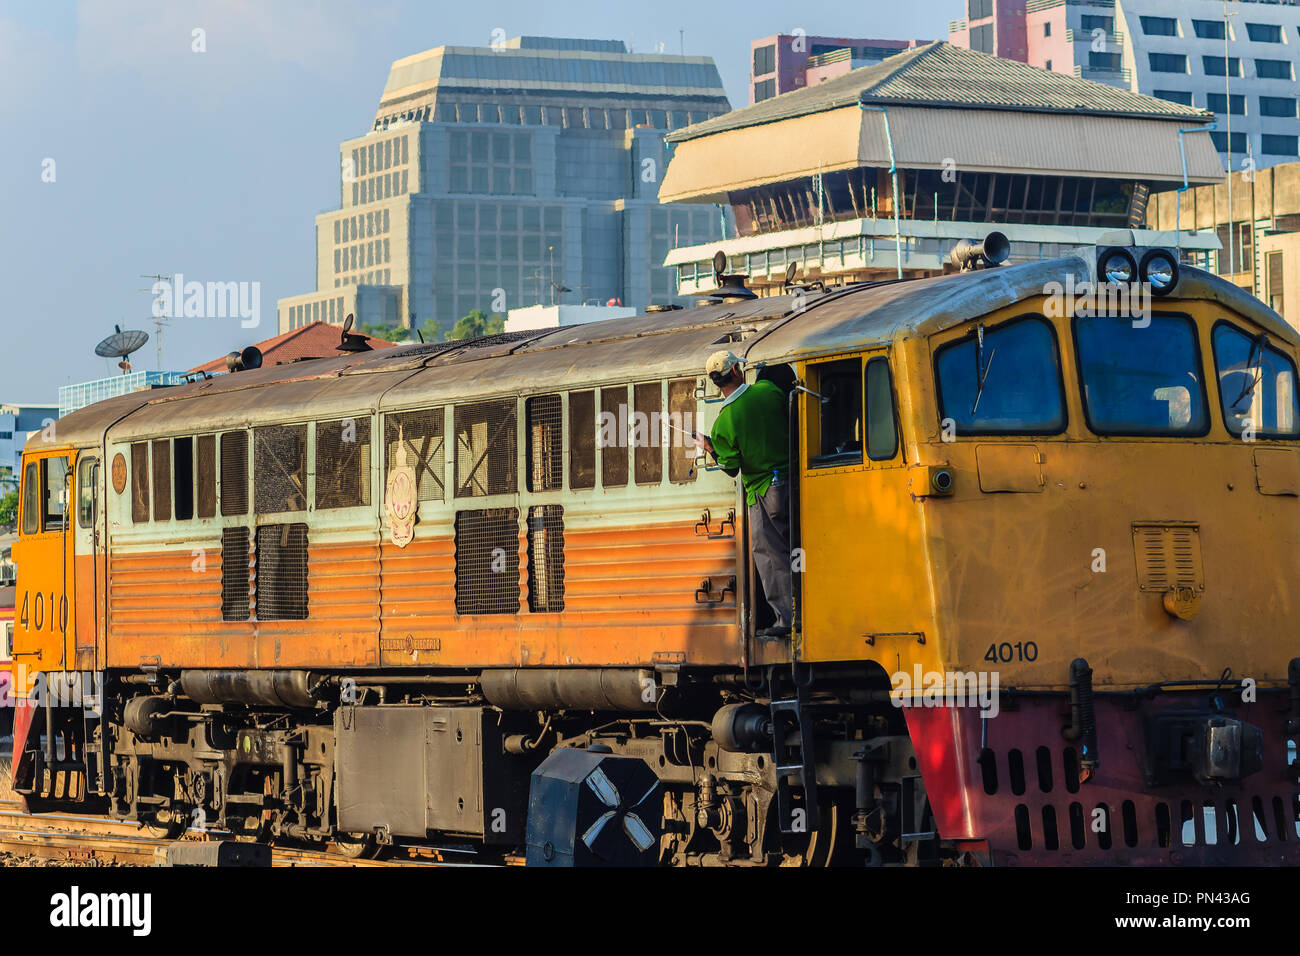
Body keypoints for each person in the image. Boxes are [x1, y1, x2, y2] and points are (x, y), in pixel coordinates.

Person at [695, 351, 792, 638]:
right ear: (737, 370)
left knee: (771, 556)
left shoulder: (725, 421)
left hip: (762, 493)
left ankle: (786, 620)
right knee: (794, 550)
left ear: (716, 382)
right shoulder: (769, 391)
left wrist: (710, 448)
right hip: (789, 482)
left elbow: (731, 468)